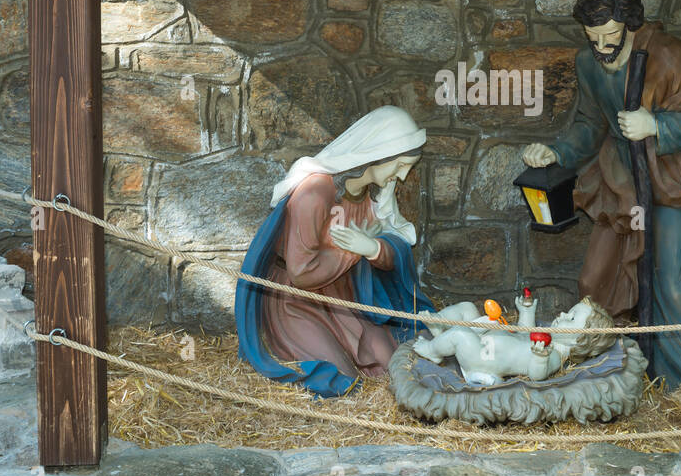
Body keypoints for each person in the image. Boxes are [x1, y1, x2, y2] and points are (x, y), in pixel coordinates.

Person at [522, 0, 681, 389]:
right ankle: (628, 376)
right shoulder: (588, 64)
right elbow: (588, 124)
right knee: (598, 280)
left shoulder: (666, 54)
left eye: (611, 35)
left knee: (677, 289)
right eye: (592, 37)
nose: (601, 47)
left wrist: (658, 125)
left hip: (673, 187)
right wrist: (558, 152)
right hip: (624, 187)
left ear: (630, 23)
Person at [235, 105, 432, 397]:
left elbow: (393, 249)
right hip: (297, 302)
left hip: (343, 299)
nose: (402, 177)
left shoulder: (370, 196)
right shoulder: (316, 191)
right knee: (342, 382)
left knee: (396, 363)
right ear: (378, 155)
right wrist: (353, 252)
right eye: (400, 165)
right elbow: (301, 273)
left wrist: (373, 247)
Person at [412, 296, 616, 385]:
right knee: (467, 308)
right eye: (569, 311)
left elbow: (537, 376)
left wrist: (539, 358)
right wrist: (527, 312)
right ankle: (439, 324)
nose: (563, 313)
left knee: (459, 335)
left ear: (579, 340)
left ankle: (433, 350)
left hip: (482, 358)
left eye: (571, 318)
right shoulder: (546, 337)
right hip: (485, 339)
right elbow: (523, 333)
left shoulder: (553, 354)